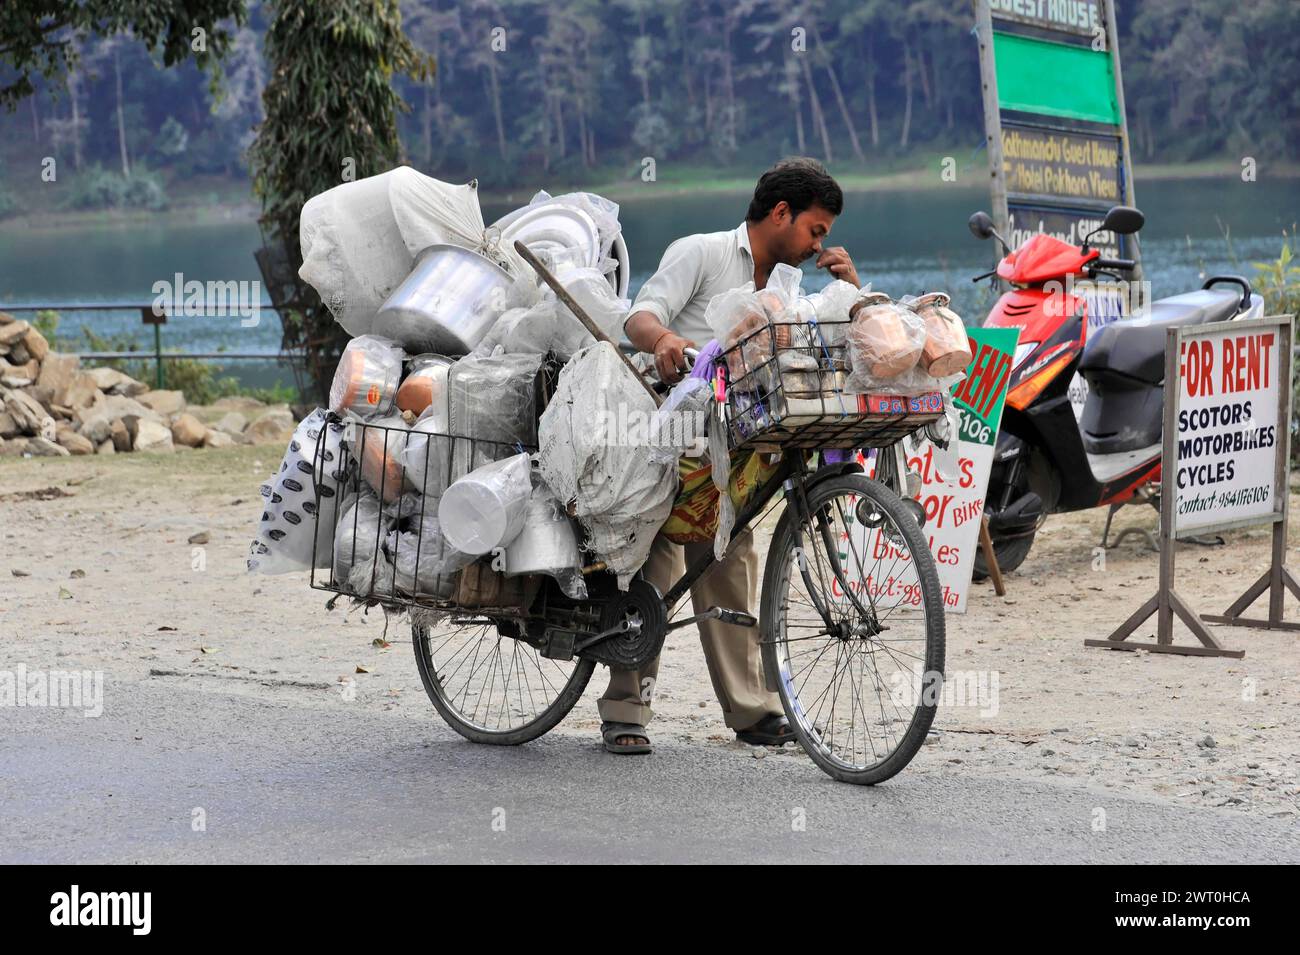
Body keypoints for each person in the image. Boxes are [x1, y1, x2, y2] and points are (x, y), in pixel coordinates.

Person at [599, 157, 862, 754]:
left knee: (731, 556)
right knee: (655, 563)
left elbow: (816, 344)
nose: (820, 242)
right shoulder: (702, 252)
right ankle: (625, 710)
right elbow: (637, 316)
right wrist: (665, 340)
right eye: (815, 230)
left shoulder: (788, 287)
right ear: (779, 213)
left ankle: (752, 710)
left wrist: (850, 288)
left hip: (733, 450)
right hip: (668, 442)